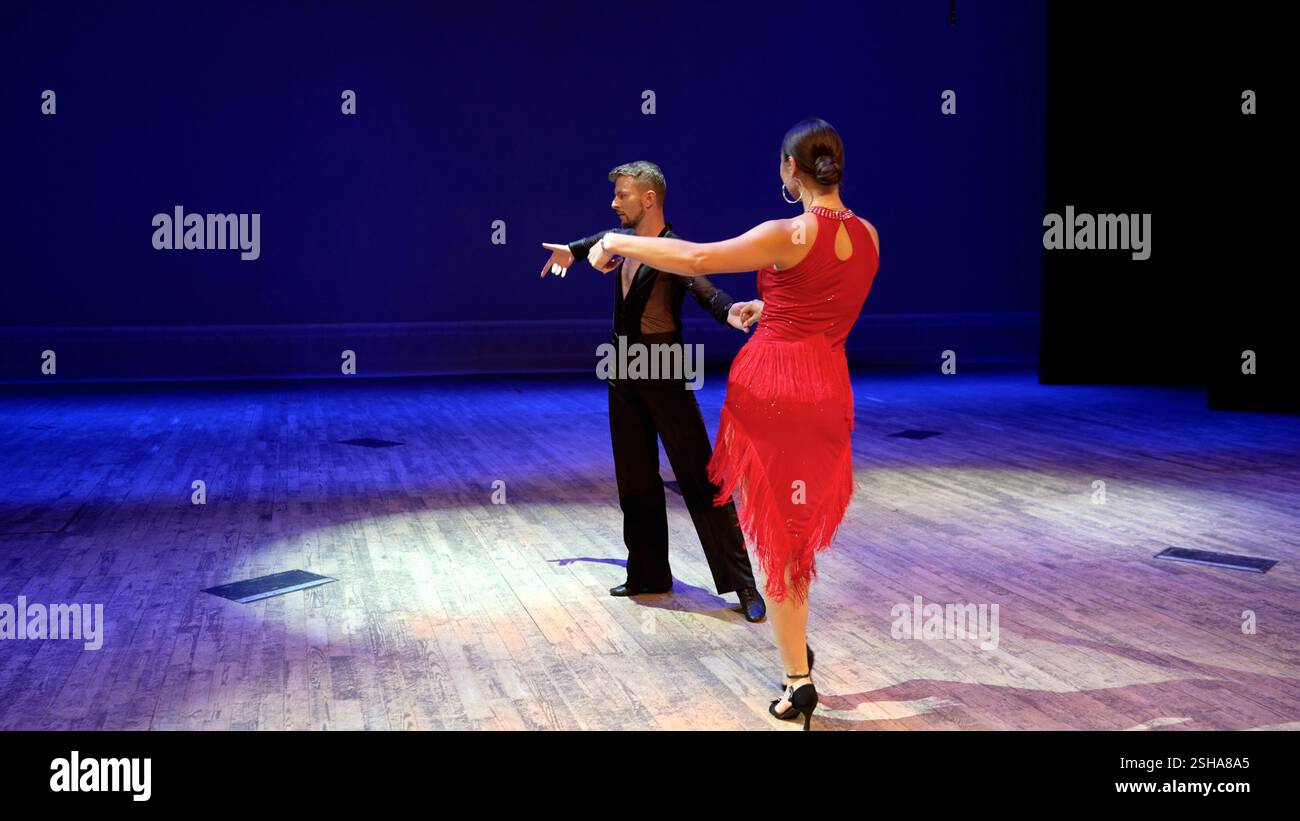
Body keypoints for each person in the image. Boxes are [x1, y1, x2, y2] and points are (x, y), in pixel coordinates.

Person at [585, 120, 880, 729]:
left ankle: (798, 680)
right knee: (792, 530)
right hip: (827, 388)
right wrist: (769, 309)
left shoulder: (787, 230)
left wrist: (618, 238)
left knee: (778, 539)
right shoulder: (869, 235)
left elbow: (696, 257)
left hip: (777, 391)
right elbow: (824, 306)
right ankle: (795, 648)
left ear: (791, 170)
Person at [539, 161, 769, 622]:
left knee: (700, 479)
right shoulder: (620, 242)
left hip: (663, 369)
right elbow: (591, 244)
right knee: (635, 479)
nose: (613, 202)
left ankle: (743, 584)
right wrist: (570, 251)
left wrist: (730, 313)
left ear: (648, 199)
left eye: (621, 194)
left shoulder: (674, 249)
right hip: (623, 373)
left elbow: (704, 290)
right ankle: (648, 573)